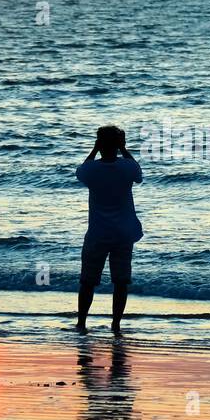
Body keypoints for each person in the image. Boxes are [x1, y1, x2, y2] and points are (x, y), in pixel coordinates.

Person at [75, 125, 143, 333]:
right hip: (123, 233)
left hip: (97, 233)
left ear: (99, 144)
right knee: (121, 281)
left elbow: (81, 172)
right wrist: (124, 149)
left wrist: (94, 150)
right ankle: (116, 324)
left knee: (88, 280)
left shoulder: (91, 170)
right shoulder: (127, 168)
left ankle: (82, 322)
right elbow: (138, 173)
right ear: (118, 145)